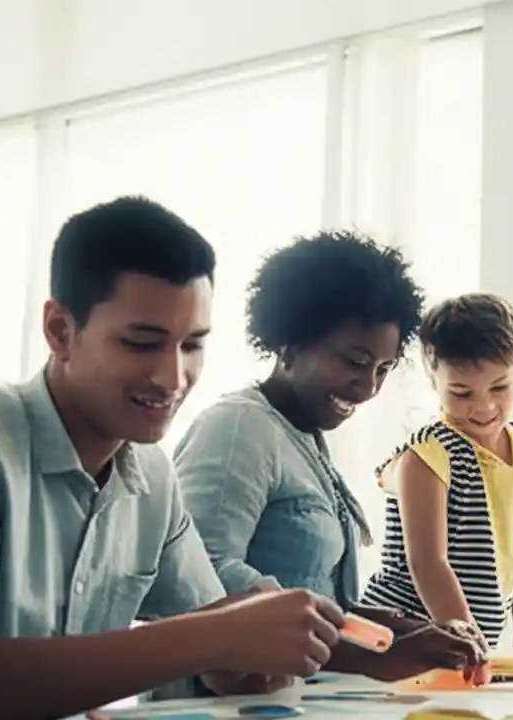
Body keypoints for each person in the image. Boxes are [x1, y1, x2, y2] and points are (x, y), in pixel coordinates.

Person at [0, 197, 348, 720]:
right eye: (142, 343)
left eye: (192, 346)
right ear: (60, 330)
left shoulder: (152, 477)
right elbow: (211, 632)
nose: (173, 379)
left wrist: (249, 652)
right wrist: (217, 638)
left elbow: (216, 631)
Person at [176, 231, 486, 682]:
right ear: (291, 344)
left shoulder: (305, 438)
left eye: (383, 369)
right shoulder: (239, 428)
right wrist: (380, 656)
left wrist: (404, 631)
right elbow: (201, 580)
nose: (369, 387)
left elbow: (316, 599)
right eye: (355, 362)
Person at [361, 294, 513, 658]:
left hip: (468, 642)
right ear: (434, 381)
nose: (484, 406)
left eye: (499, 387)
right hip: (399, 638)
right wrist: (467, 638)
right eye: (462, 393)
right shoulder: (427, 455)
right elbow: (428, 561)